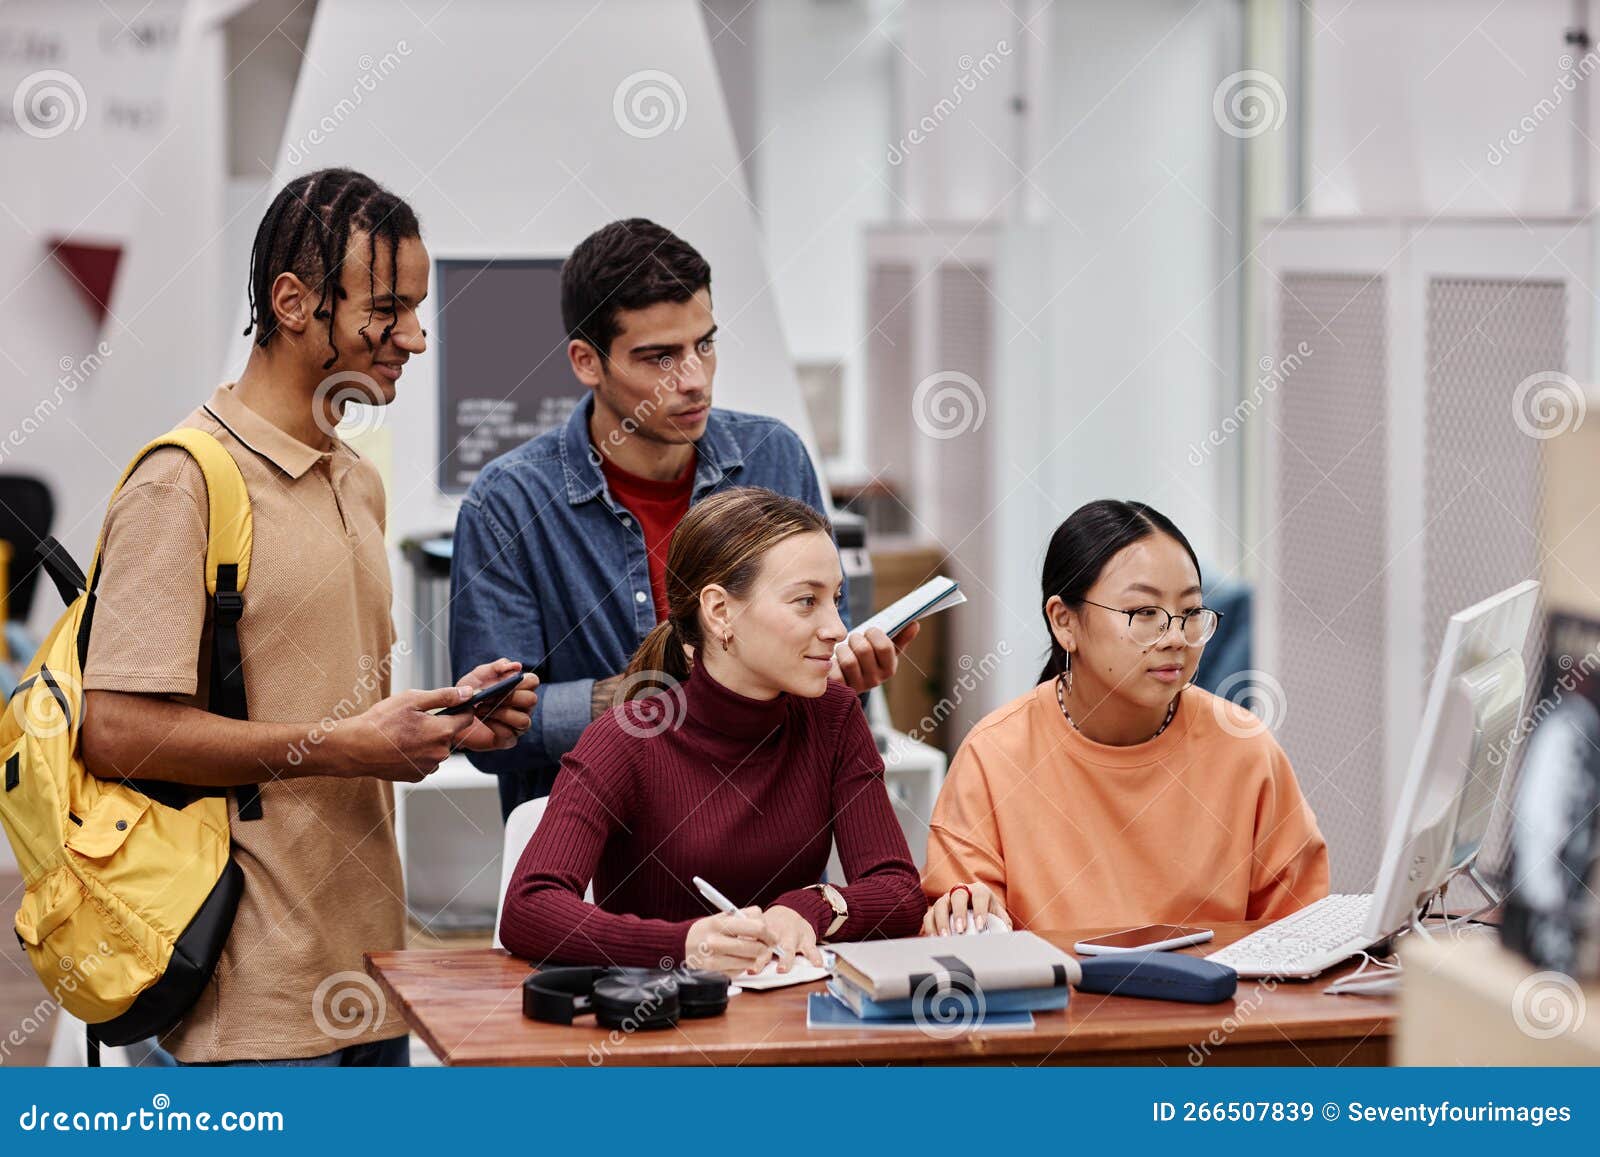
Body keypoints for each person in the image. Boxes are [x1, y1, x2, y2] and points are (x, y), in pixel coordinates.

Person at [79, 169, 537, 1066]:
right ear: (294, 302)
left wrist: (438, 720)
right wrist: (343, 746)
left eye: (417, 307)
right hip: (239, 1007)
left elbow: (315, 697)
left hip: (371, 980)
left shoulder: (354, 479)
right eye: (388, 308)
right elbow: (115, 730)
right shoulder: (184, 481)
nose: (415, 334)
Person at [449, 218, 915, 819]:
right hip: (596, 854)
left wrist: (845, 668)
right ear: (588, 362)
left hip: (768, 832)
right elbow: (490, 728)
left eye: (705, 344)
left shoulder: (774, 457)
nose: (693, 380)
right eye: (659, 357)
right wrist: (645, 696)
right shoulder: (507, 504)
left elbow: (821, 649)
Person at [499, 487, 926, 974]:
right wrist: (683, 944)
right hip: (659, 1027)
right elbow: (529, 909)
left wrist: (812, 906)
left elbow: (899, 891)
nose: (835, 627)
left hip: (793, 1024)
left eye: (836, 599)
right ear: (720, 611)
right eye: (807, 601)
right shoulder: (626, 739)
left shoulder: (835, 716)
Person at [921, 499, 1329, 935]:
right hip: (1054, 1003)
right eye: (1144, 614)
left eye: (1190, 614)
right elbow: (963, 936)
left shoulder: (1244, 747)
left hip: (1219, 1004)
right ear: (1064, 623)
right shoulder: (995, 757)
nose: (1175, 638)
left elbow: (1300, 930)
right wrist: (968, 917)